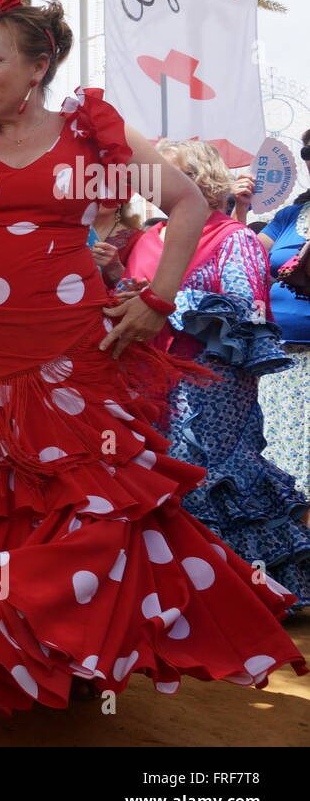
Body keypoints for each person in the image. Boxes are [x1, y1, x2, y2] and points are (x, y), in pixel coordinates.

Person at [0, 0, 304, 714]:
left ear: (38, 63)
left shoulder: (90, 136)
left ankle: (60, 648)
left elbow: (187, 204)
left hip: (67, 364)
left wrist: (156, 296)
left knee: (78, 512)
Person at [125, 139, 309, 607]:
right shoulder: (148, 238)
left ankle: (236, 592)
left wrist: (162, 304)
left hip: (211, 380)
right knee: (159, 476)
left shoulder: (235, 236)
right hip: (148, 377)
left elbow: (246, 308)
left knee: (210, 477)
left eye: (170, 172)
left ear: (200, 180)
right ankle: (171, 588)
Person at [257, 129, 310, 497]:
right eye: (308, 151)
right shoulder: (291, 214)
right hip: (281, 360)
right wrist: (239, 207)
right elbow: (247, 257)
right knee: (282, 459)